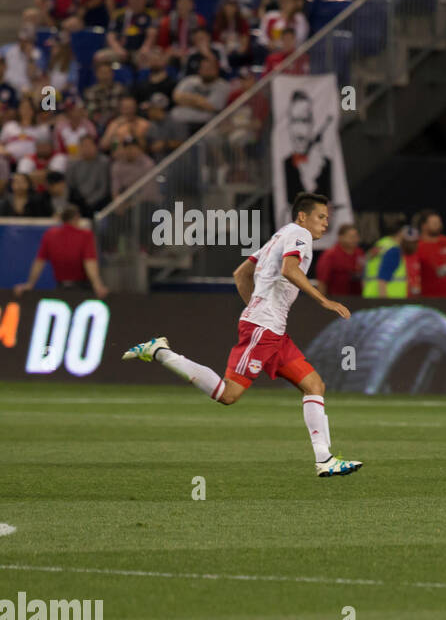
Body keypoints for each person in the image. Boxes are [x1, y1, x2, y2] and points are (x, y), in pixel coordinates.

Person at [122, 191, 362, 478]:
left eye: (327, 219)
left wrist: (257, 308)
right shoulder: (299, 234)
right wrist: (323, 300)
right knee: (228, 394)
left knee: (314, 385)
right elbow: (289, 269)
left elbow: (240, 274)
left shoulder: (280, 235)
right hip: (265, 328)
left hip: (272, 329)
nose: (326, 224)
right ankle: (160, 351)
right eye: (321, 217)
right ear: (302, 216)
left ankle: (325, 459)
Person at [13, 205, 107, 297]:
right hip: (82, 290)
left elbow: (39, 262)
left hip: (60, 289)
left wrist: (30, 284)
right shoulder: (85, 235)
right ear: (76, 217)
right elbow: (89, 262)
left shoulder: (50, 235)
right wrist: (97, 286)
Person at [315, 222, 363, 296]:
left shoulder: (360, 253)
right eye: (350, 237)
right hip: (336, 298)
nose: (354, 240)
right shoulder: (330, 255)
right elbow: (322, 281)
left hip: (357, 298)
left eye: (356, 236)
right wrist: (323, 301)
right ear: (340, 237)